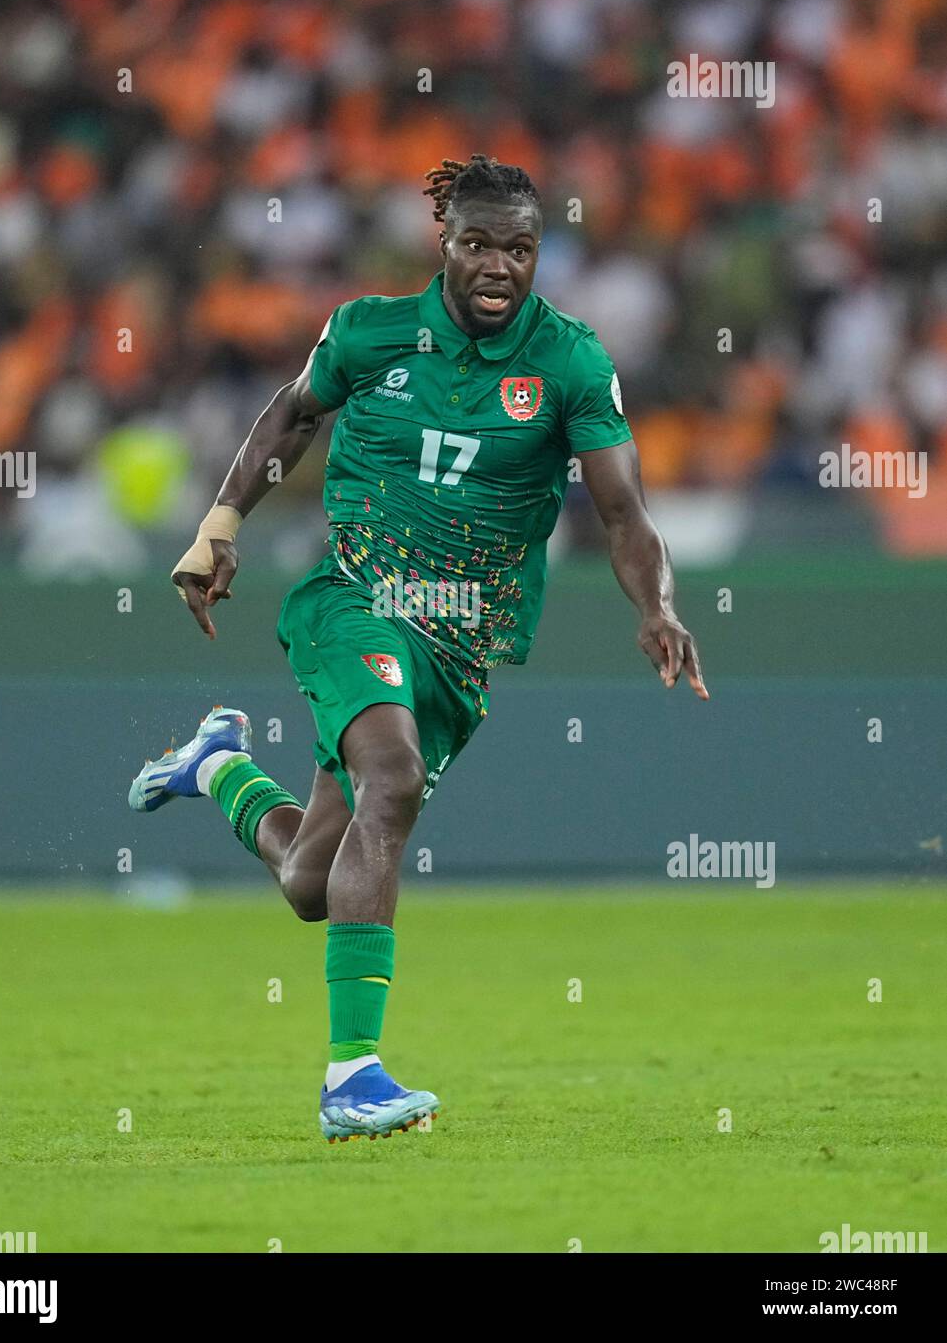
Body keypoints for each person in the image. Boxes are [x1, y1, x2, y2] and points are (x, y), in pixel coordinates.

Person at [128, 155, 708, 1143]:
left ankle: (215, 764)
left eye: (519, 248)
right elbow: (294, 412)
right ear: (444, 242)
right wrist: (220, 523)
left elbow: (622, 510)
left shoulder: (569, 361)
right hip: (353, 600)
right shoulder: (369, 330)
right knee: (388, 780)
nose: (497, 266)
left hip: (460, 648)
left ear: (537, 255)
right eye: (478, 242)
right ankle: (352, 1076)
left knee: (312, 883)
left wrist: (655, 604)